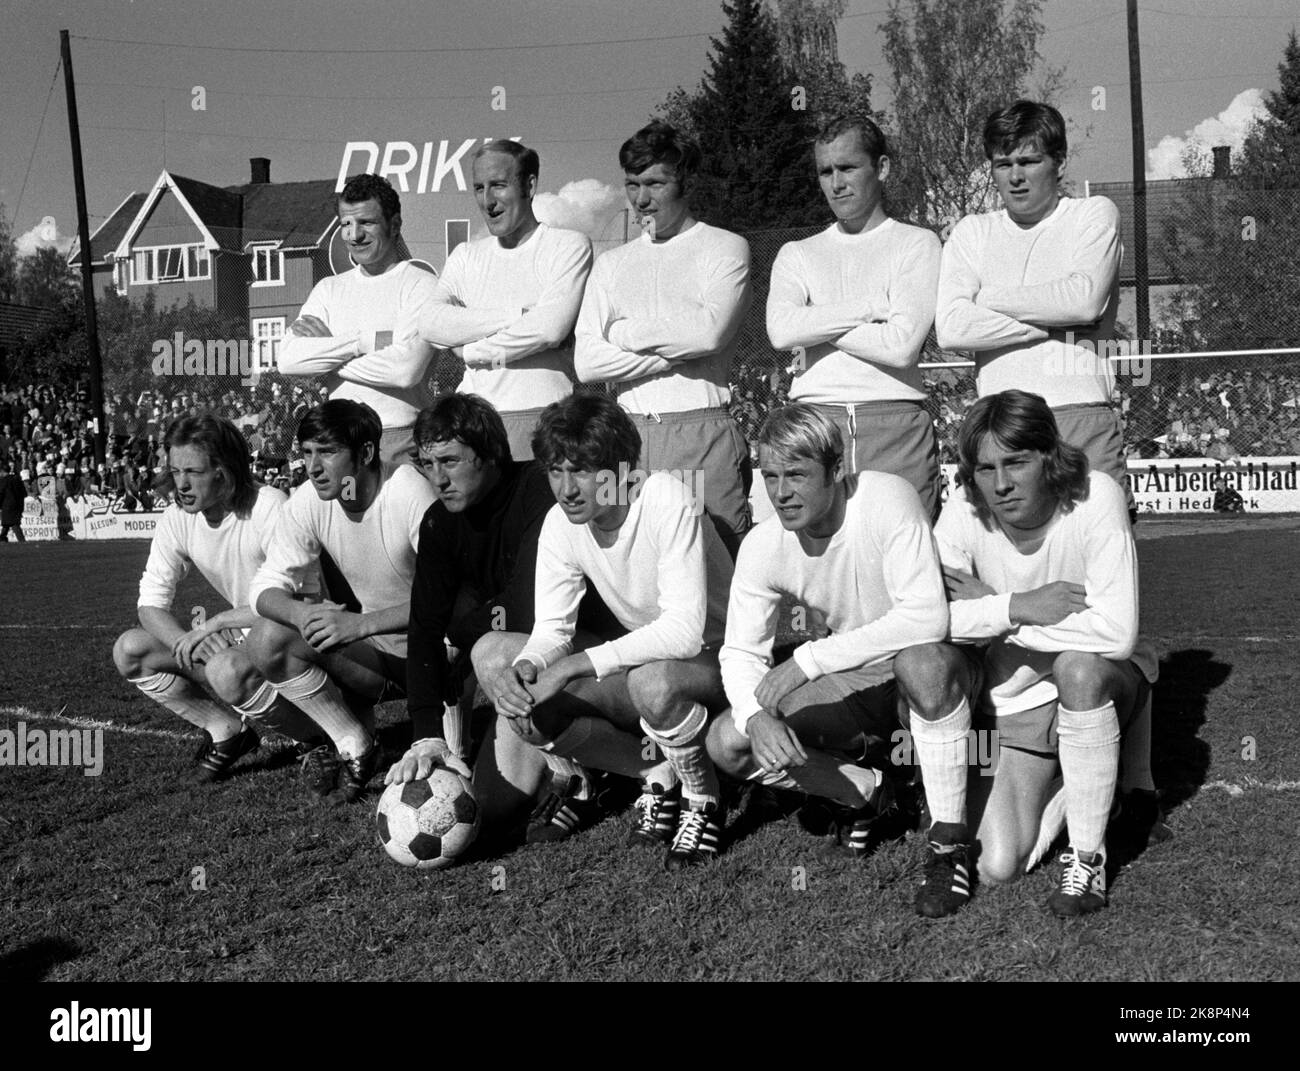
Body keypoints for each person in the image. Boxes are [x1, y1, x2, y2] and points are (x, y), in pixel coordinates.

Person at [919, 390, 1159, 918]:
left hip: (1102, 678)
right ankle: (1086, 785)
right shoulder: (963, 509)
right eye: (985, 468)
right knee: (998, 865)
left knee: (1078, 666)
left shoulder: (1096, 496)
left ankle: (1089, 858)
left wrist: (1000, 616)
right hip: (1017, 704)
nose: (1000, 484)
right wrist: (1016, 607)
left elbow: (1116, 634)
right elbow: (929, 616)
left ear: (1049, 456)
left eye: (1016, 463)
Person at [472, 393, 735, 868]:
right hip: (646, 663)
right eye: (555, 470)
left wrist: (570, 666)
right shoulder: (560, 523)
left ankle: (704, 799)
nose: (566, 488)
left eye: (582, 471)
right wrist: (530, 666)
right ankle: (656, 775)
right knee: (498, 658)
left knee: (651, 679)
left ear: (621, 468)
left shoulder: (666, 497)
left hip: (720, 664)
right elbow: (552, 628)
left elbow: (684, 632)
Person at [708, 404, 950, 856]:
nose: (781, 494)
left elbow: (926, 617)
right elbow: (739, 652)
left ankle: (935, 788)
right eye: (771, 477)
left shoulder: (886, 496)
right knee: (729, 742)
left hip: (924, 669)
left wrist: (809, 660)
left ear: (837, 469)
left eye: (796, 475)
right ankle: (868, 791)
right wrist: (755, 716)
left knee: (924, 667)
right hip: (855, 679)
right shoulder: (764, 543)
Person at [386, 393, 616, 833]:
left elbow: (526, 604)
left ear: (491, 453)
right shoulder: (439, 522)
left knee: (490, 651)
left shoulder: (536, 489)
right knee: (485, 811)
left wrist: (459, 637)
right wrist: (425, 733)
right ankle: (571, 764)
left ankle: (585, 778)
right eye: (427, 465)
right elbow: (424, 629)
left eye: (450, 461)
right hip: (529, 666)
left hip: (594, 653)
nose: (438, 478)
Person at [575, 120, 752, 556]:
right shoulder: (612, 264)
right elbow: (588, 363)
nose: (641, 199)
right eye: (632, 184)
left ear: (685, 182)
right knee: (628, 561)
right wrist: (674, 353)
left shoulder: (725, 247)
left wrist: (624, 332)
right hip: (627, 434)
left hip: (701, 429)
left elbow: (709, 336)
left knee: (719, 564)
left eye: (655, 182)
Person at [111, 415, 321, 782]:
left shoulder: (270, 507)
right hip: (245, 632)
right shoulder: (177, 518)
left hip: (290, 634)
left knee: (225, 669)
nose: (181, 484)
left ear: (224, 470)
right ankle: (228, 732)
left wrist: (218, 625)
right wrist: (187, 643)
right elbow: (150, 604)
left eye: (193, 471)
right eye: (175, 471)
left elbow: (301, 600)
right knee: (131, 650)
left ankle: (318, 739)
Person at [936, 101, 1129, 496]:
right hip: (1000, 427)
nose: (1016, 177)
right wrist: (1052, 322)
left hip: (1081, 418)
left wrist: (988, 298)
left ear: (1058, 162)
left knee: (1098, 552)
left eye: (1029, 161)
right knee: (1004, 556)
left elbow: (1083, 303)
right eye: (1003, 164)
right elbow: (953, 328)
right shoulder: (973, 232)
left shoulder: (1094, 214)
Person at [247, 400, 435, 801]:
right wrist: (302, 613)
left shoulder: (409, 490)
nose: (313, 467)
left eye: (327, 452)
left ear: (366, 453)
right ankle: (355, 744)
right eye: (306, 452)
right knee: (267, 638)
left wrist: (361, 624)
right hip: (379, 658)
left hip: (441, 654)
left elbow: (451, 601)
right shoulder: (308, 499)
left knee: (458, 773)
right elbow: (264, 586)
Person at [767, 115, 942, 518]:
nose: (836, 183)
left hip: (894, 422)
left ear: (881, 168)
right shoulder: (797, 253)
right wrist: (868, 307)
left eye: (847, 168)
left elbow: (900, 348)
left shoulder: (917, 243)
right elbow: (781, 332)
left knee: (907, 558)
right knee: (823, 563)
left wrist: (815, 323)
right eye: (825, 171)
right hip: (815, 423)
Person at [418, 141, 591, 460]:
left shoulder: (567, 247)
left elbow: (549, 330)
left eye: (498, 185)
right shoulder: (466, 256)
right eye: (479, 188)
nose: (488, 200)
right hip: (474, 429)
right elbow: (430, 324)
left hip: (547, 421)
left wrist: (468, 349)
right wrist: (519, 315)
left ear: (529, 185)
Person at [277, 173, 440, 474]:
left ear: (394, 225)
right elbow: (288, 360)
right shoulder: (328, 289)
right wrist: (360, 343)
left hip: (402, 443)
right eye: (345, 225)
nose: (354, 235)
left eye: (366, 223)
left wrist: (328, 359)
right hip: (341, 448)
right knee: (349, 521)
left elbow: (405, 371)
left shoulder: (422, 285)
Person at [0, 461, 26, 542]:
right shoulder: (17, 479)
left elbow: (1, 494)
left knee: (13, 524)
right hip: (18, 505)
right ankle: (2, 539)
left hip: (7, 506)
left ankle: (22, 541)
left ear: (2, 471)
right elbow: (24, 493)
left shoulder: (3, 481)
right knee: (6, 524)